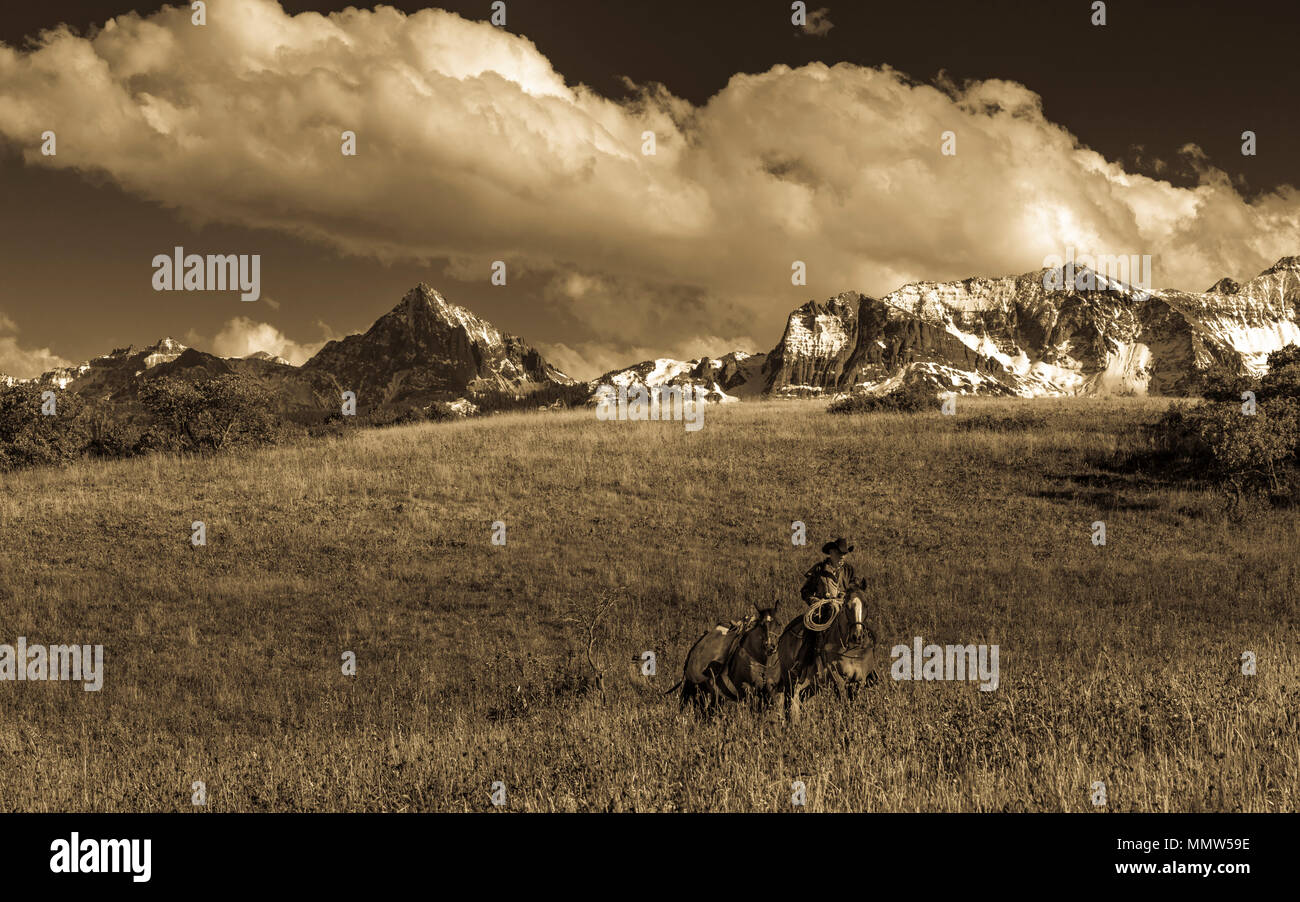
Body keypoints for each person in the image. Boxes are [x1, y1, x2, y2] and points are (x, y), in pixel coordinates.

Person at [798, 537, 867, 670]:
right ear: (831, 553)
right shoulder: (819, 570)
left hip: (844, 608)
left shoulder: (848, 571)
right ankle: (805, 663)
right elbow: (805, 591)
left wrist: (851, 593)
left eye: (844, 554)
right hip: (823, 609)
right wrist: (815, 601)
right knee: (811, 634)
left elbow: (853, 589)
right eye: (839, 553)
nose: (842, 557)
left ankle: (866, 666)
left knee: (860, 625)